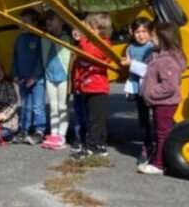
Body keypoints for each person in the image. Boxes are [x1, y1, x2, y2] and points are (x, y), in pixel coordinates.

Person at [135, 22, 186, 175]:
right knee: (163, 132)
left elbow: (169, 87)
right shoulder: (168, 57)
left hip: (164, 103)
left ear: (164, 39)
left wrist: (149, 92)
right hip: (164, 102)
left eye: (155, 37)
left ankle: (159, 164)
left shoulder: (166, 61)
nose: (152, 39)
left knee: (162, 133)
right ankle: (162, 160)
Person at [70, 12, 115, 158]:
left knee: (95, 119)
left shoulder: (104, 44)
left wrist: (83, 40)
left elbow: (92, 55)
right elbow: (79, 67)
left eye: (91, 28)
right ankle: (99, 145)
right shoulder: (86, 43)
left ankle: (94, 146)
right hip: (86, 87)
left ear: (101, 30)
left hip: (98, 87)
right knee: (93, 118)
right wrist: (77, 84)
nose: (88, 31)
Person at [123, 17, 155, 164]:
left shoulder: (152, 47)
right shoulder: (130, 48)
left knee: (157, 118)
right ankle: (147, 145)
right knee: (143, 120)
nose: (141, 35)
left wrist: (131, 63)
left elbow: (151, 70)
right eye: (137, 31)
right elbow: (129, 70)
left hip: (152, 88)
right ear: (132, 32)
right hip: (138, 89)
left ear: (150, 33)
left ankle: (157, 146)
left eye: (144, 31)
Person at [11, 8, 46, 144]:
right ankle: (24, 130)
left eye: (26, 22)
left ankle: (39, 130)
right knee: (25, 105)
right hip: (22, 78)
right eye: (21, 22)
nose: (22, 25)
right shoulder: (18, 40)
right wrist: (15, 74)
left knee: (38, 105)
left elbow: (40, 60)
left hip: (37, 80)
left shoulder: (39, 39)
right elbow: (15, 58)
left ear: (35, 23)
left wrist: (34, 77)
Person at [40, 10, 73, 150]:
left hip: (63, 77)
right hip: (49, 76)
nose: (49, 22)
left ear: (62, 21)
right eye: (47, 20)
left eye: (52, 19)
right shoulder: (44, 38)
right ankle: (53, 133)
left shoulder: (68, 38)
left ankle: (62, 135)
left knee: (62, 106)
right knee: (53, 106)